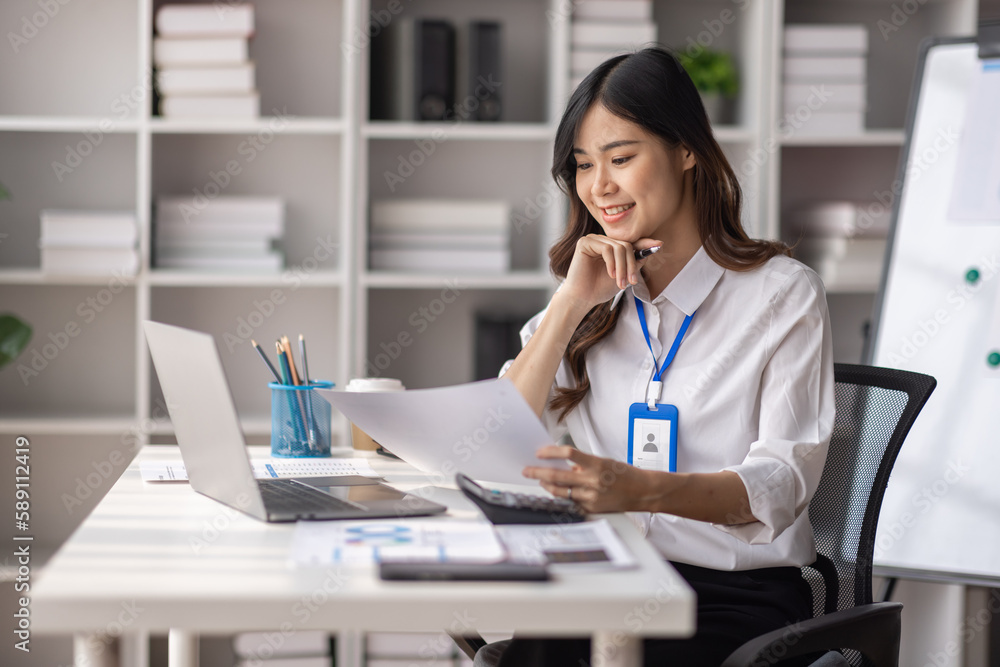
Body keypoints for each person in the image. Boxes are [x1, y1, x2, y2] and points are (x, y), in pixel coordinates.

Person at [498, 47, 836, 666]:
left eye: (621, 158)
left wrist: (641, 489)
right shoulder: (591, 293)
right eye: (582, 166)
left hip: (731, 594)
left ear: (686, 151)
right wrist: (570, 303)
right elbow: (499, 433)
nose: (599, 186)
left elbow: (781, 484)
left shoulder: (781, 293)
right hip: (602, 577)